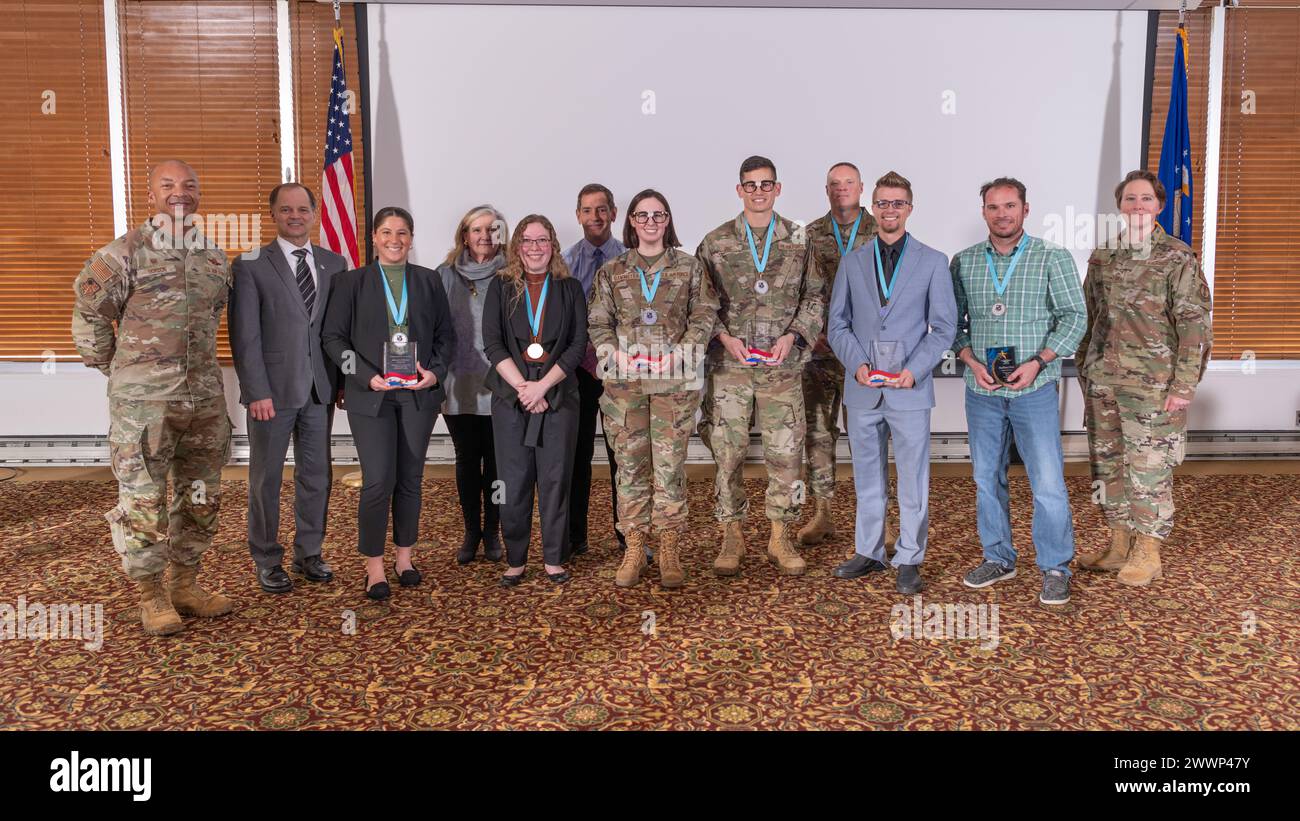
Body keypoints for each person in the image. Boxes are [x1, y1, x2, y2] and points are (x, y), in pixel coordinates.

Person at [71, 159, 235, 635]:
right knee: (143, 500)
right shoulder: (123, 253)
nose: (179, 192)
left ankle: (186, 585)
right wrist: (122, 373)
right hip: (145, 408)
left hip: (202, 401)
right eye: (168, 185)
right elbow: (90, 317)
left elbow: (215, 316)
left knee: (200, 497)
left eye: (189, 184)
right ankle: (151, 595)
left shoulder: (212, 257)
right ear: (150, 195)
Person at [950, 177, 1087, 606]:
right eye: (993, 207)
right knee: (986, 478)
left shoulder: (1053, 257)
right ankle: (999, 557)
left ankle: (1055, 567)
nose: (1002, 214)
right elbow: (953, 324)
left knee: (1046, 480)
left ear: (1025, 210)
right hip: (982, 390)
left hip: (1035, 387)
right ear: (984, 212)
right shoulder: (964, 262)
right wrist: (970, 361)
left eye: (1010, 206)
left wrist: (1038, 362)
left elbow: (1074, 318)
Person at [1075, 170, 1212, 586]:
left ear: (1160, 206)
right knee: (1108, 466)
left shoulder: (1177, 256)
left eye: (1146, 199)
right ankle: (1119, 543)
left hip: (1153, 385)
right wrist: (1085, 370)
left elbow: (1194, 324)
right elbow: (1089, 316)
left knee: (1149, 469)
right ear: (1120, 205)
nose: (1137, 206)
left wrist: (1184, 385)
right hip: (1104, 382)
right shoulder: (1104, 255)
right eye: (1130, 199)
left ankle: (1148, 550)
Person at [827, 171, 956, 594]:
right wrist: (858, 364)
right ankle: (869, 551)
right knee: (866, 475)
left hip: (909, 389)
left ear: (909, 209)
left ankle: (909, 556)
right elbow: (838, 325)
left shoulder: (933, 261)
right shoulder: (852, 261)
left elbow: (943, 327)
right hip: (863, 387)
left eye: (897, 203)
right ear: (873, 207)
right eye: (882, 203)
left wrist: (913, 370)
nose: (889, 210)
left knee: (912, 477)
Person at [696, 155, 824, 577]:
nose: (758, 192)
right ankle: (731, 533)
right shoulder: (715, 242)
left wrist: (794, 335)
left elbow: (816, 296)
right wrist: (723, 337)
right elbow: (699, 303)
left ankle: (780, 534)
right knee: (727, 453)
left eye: (765, 184)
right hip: (730, 368)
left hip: (781, 367)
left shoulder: (800, 239)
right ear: (739, 190)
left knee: (786, 456)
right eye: (750, 185)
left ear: (778, 188)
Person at [588, 189, 720, 588]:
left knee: (669, 468)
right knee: (629, 468)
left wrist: (681, 353)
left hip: (673, 387)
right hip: (625, 387)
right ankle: (634, 546)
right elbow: (598, 322)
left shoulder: (690, 267)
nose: (650, 222)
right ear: (630, 220)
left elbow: (705, 315)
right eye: (642, 215)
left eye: (657, 215)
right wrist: (614, 354)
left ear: (667, 220)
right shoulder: (612, 270)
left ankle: (669, 547)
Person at [322, 206, 452, 601]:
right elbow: (333, 339)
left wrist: (435, 373)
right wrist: (364, 375)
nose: (394, 240)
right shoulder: (350, 283)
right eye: (386, 232)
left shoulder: (429, 281)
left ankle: (404, 559)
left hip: (418, 395)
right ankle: (374, 566)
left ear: (412, 238)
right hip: (371, 396)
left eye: (402, 232)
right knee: (379, 481)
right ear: (374, 238)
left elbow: (447, 337)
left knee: (411, 479)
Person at [229, 183, 347, 594]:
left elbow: (338, 330)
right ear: (274, 215)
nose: (294, 216)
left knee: (317, 476)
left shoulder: (336, 264)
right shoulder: (251, 264)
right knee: (267, 478)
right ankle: (266, 558)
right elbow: (244, 337)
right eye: (286, 210)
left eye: (302, 209)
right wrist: (255, 390)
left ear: (314, 214)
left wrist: (344, 382)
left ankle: (309, 553)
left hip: (320, 390)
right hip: (271, 394)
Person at [483, 215, 588, 586]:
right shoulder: (500, 286)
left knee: (556, 478)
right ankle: (515, 559)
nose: (534, 247)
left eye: (542, 240)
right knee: (513, 479)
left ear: (553, 245)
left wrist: (542, 387)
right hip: (511, 397)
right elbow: (492, 343)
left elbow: (577, 345)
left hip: (558, 395)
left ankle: (555, 558)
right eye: (526, 241)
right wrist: (524, 389)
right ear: (516, 247)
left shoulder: (570, 288)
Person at [801, 161, 896, 551]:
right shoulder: (808, 235)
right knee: (818, 433)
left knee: (870, 436)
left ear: (861, 188)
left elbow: (896, 290)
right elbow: (799, 290)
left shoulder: (883, 230)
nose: (842, 190)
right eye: (834, 184)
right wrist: (814, 334)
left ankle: (879, 518)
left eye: (849, 183)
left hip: (868, 354)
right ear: (826, 191)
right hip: (821, 350)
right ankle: (823, 511)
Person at [436, 205, 508, 565]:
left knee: (496, 462)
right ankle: (470, 530)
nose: (484, 236)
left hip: (501, 383)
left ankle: (493, 530)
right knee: (466, 459)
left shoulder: (514, 274)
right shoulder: (444, 275)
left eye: (491, 230)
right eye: (476, 230)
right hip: (457, 382)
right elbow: (432, 329)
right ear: (464, 235)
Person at [562, 184, 626, 560]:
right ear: (578, 216)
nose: (595, 217)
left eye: (602, 210)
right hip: (579, 373)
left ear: (614, 214)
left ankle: (626, 535)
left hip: (620, 373)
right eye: (587, 210)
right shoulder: (566, 263)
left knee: (624, 458)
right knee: (576, 454)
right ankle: (575, 536)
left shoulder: (631, 259)